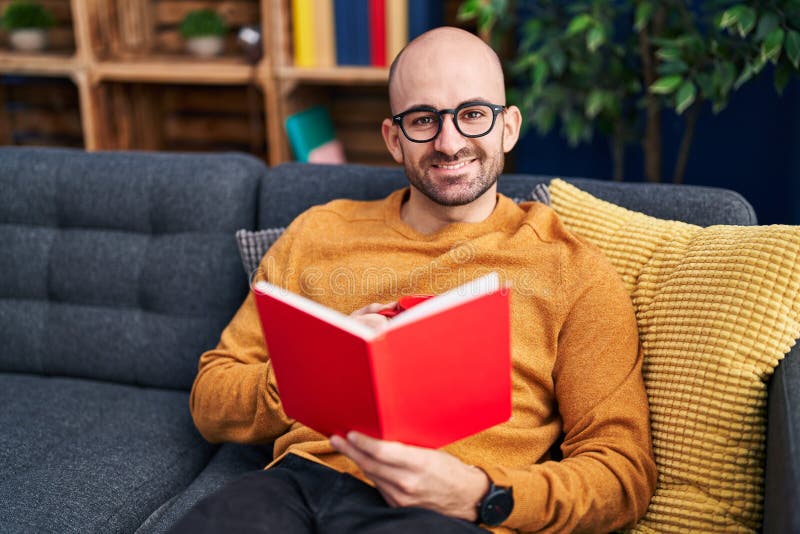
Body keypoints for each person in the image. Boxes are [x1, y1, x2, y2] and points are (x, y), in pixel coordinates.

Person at [172, 27, 657, 534]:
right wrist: (320, 371)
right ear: (393, 138)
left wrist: (480, 493)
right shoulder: (319, 232)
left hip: (445, 510)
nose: (449, 143)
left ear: (509, 127)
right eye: (423, 120)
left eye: (472, 114)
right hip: (297, 487)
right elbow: (210, 398)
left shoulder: (571, 270)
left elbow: (623, 476)